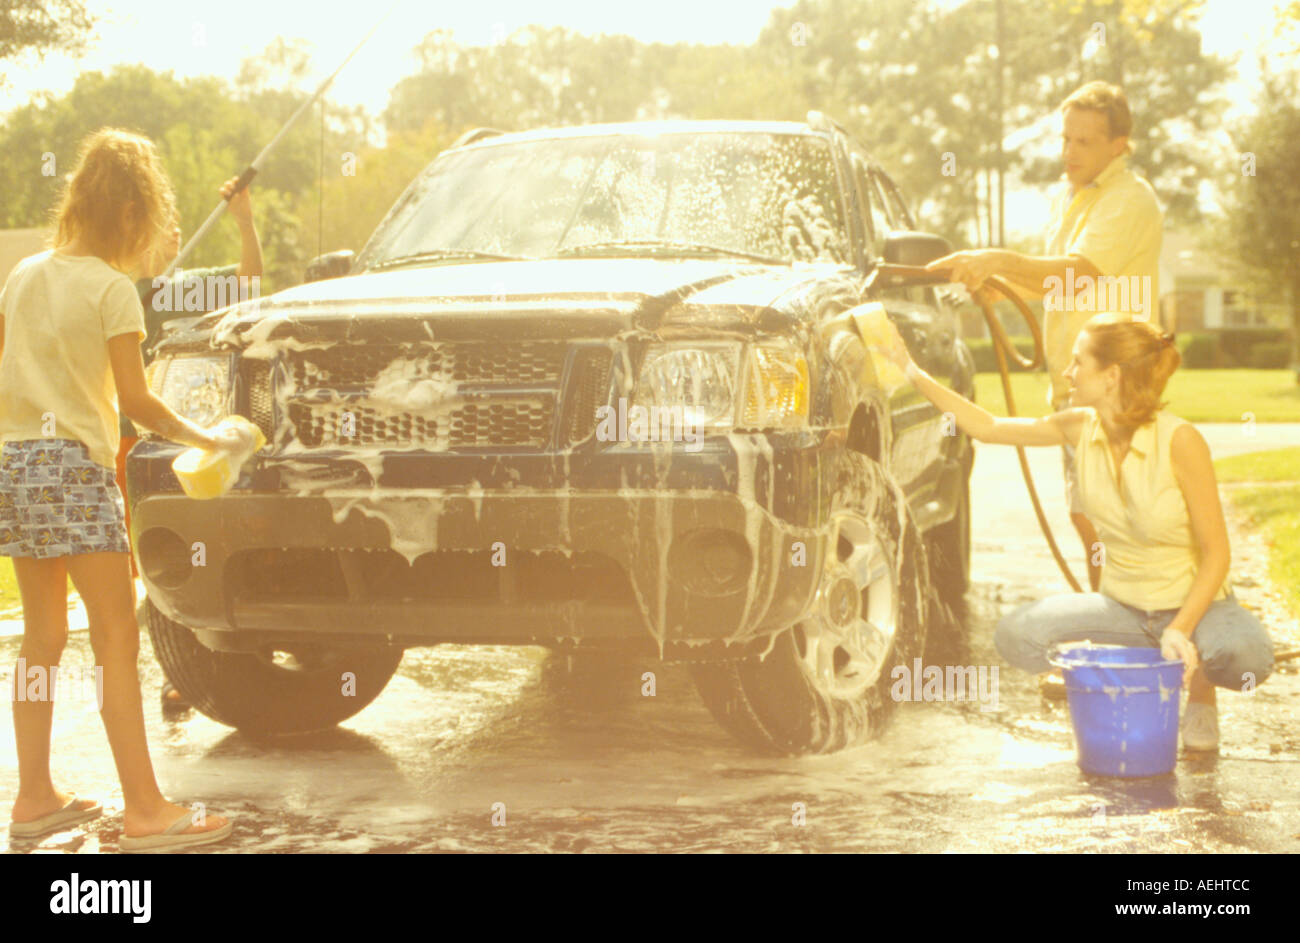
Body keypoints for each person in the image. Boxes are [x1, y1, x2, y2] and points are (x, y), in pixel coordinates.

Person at [0, 127, 254, 849]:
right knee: (116, 637)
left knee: (42, 640)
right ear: (131, 215)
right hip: (77, 470)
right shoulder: (113, 291)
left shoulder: (22, 275)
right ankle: (145, 812)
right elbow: (138, 402)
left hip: (16, 467)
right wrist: (209, 437)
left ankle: (32, 796)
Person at [869, 312, 1273, 752]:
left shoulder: (1181, 441)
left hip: (1198, 609)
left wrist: (1180, 627)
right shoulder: (1079, 427)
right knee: (1016, 635)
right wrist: (910, 369)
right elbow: (988, 427)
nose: (1067, 371)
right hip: (1126, 609)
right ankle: (1133, 673)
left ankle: (1199, 694)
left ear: (1111, 376)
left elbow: (1217, 554)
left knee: (1245, 656)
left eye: (1078, 361)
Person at [925, 81, 1162, 594]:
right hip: (1083, 389)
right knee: (1090, 519)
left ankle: (1133, 635)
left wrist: (996, 260)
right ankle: (1117, 626)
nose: (1069, 152)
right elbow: (1055, 282)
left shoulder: (1129, 199)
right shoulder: (1070, 199)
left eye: (1085, 142)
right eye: (1065, 139)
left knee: (1114, 524)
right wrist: (998, 284)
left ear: (1119, 145)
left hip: (1121, 389)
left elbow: (1079, 274)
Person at [115, 177, 263, 715]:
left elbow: (248, 284)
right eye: (162, 219)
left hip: (185, 438)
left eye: (179, 219)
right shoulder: (123, 291)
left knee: (190, 555)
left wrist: (244, 223)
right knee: (143, 565)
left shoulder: (184, 287)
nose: (175, 226)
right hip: (132, 438)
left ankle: (183, 670)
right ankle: (144, 670)